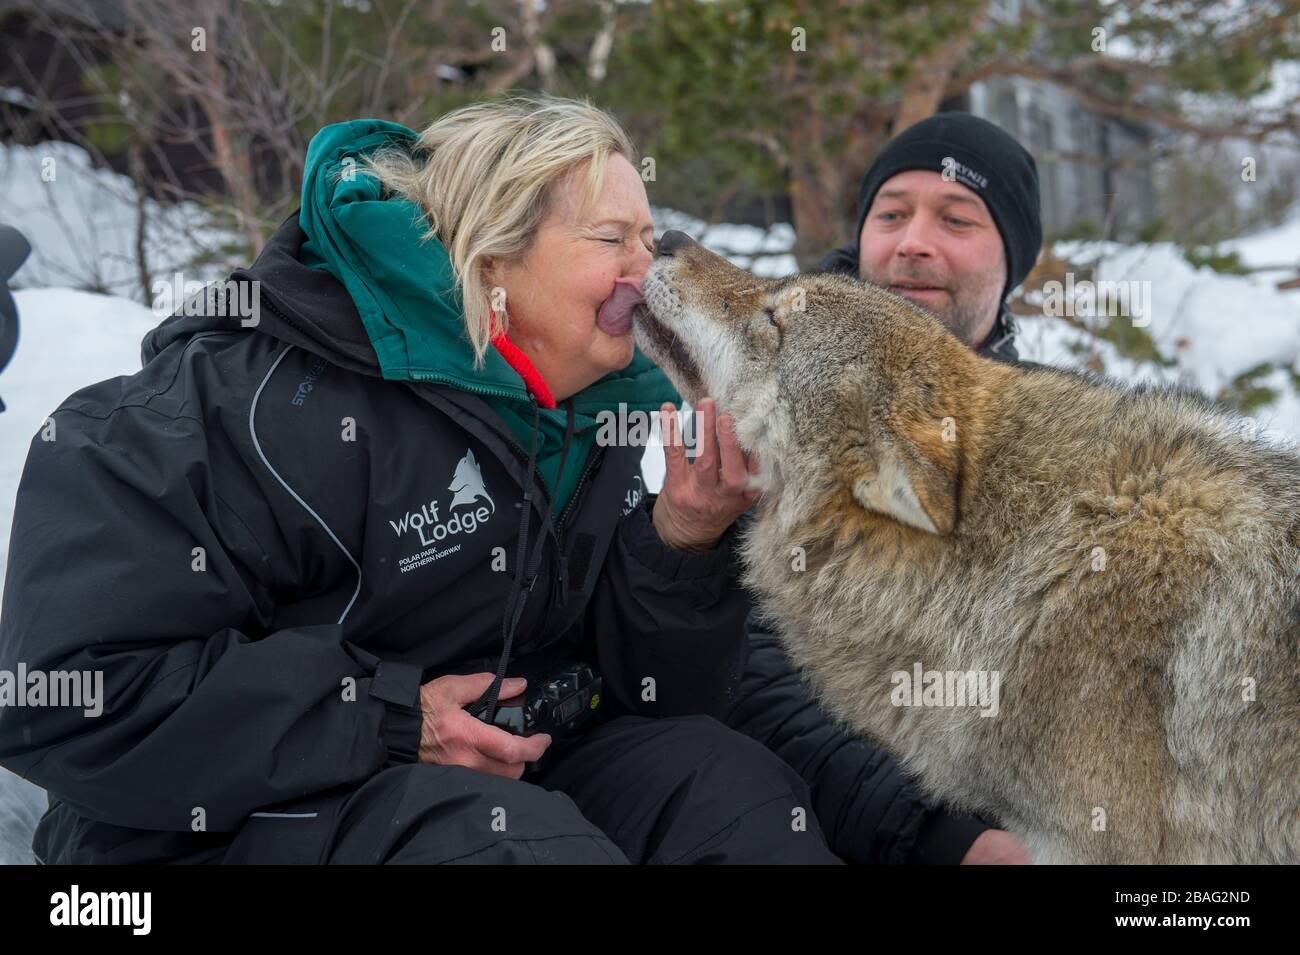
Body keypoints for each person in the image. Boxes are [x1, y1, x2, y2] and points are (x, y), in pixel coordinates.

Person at [0, 96, 844, 864]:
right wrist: (389, 718)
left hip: (503, 779)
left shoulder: (599, 403)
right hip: (232, 818)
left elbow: (651, 697)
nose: (645, 269)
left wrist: (680, 544)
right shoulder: (240, 402)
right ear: (491, 252)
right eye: (611, 239)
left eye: (649, 240)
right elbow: (70, 694)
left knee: (729, 797)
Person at [722, 111, 1043, 864]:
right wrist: (948, 839)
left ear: (1014, 261)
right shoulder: (762, 410)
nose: (912, 241)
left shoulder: (1059, 432)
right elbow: (757, 676)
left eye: (956, 218)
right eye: (891, 213)